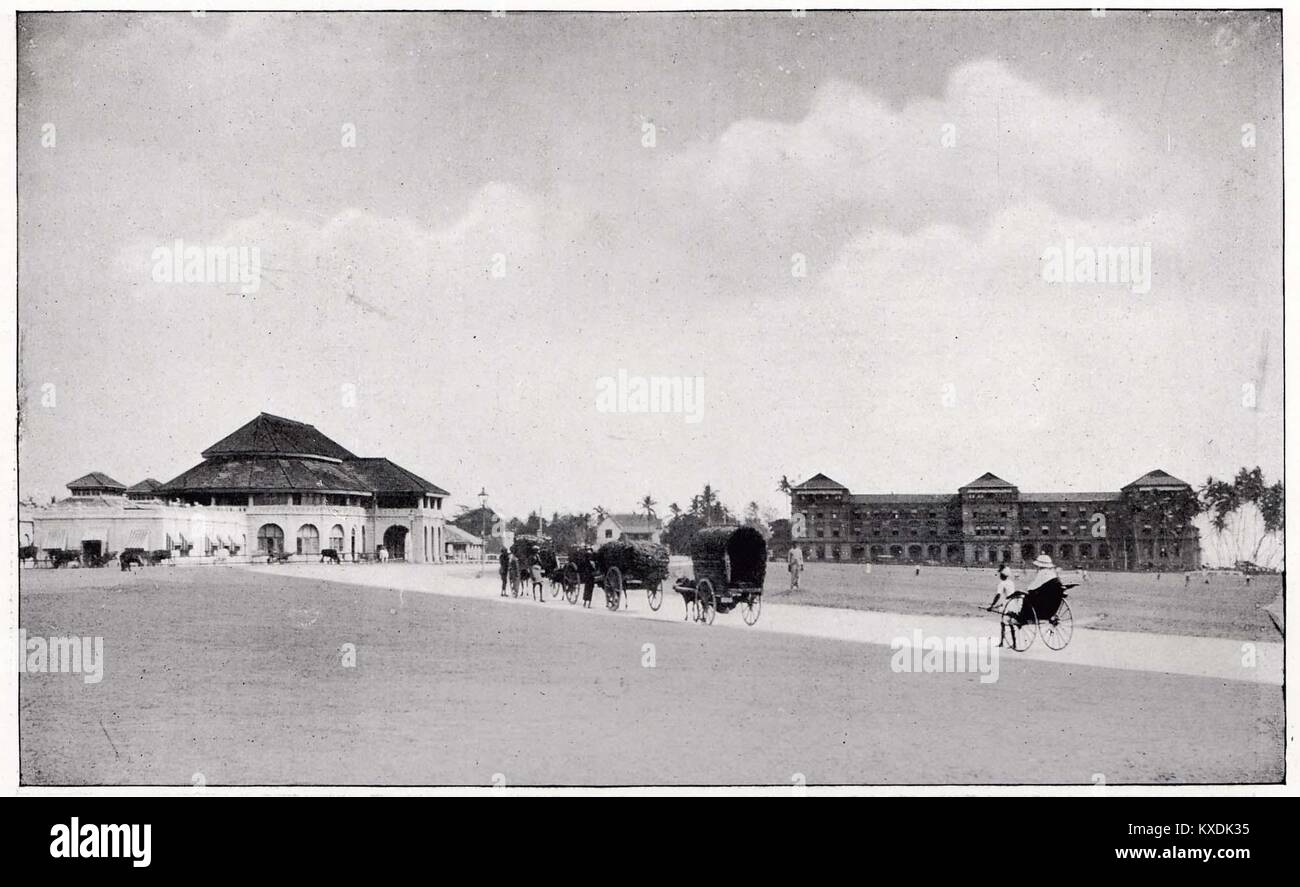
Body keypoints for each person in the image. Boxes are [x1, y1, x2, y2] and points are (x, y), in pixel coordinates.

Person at [987, 562, 1020, 649]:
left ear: (1002, 575)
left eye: (1000, 574)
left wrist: (992, 605)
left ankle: (1003, 642)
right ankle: (1013, 643)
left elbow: (998, 595)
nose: (999, 576)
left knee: (1003, 623)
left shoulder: (1002, 583)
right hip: (1013, 603)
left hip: (1008, 604)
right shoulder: (1011, 582)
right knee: (1010, 623)